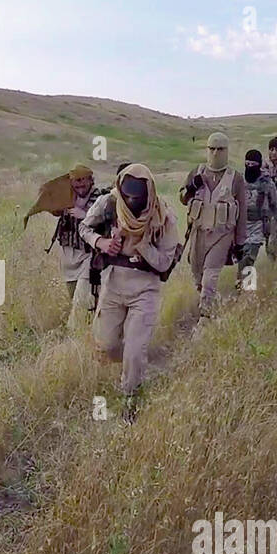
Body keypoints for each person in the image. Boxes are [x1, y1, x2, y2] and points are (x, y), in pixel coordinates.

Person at [79, 163, 181, 423]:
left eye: (138, 198)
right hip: (113, 286)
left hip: (144, 290)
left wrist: (142, 246)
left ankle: (131, 398)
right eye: (128, 197)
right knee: (107, 346)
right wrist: (103, 242)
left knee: (134, 352)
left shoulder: (163, 215)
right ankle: (130, 363)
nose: (133, 202)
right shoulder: (109, 203)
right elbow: (85, 229)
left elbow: (164, 263)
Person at [179, 132, 247, 319]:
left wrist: (240, 242)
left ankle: (205, 319)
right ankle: (208, 301)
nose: (215, 153)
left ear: (226, 150)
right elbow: (183, 199)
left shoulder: (236, 179)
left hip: (221, 236)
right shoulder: (196, 172)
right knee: (198, 277)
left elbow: (242, 213)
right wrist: (192, 187)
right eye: (212, 149)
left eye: (220, 149)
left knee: (210, 277)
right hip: (198, 234)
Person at [49, 164, 102, 303]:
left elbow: (103, 221)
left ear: (91, 180)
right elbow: (55, 211)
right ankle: (87, 323)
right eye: (76, 182)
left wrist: (84, 215)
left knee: (82, 300)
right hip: (68, 255)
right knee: (73, 297)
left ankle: (79, 324)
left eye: (83, 181)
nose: (80, 186)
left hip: (88, 253)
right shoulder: (67, 196)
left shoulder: (99, 197)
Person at [235, 148, 277, 287]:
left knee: (249, 258)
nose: (250, 168)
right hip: (240, 226)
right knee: (242, 259)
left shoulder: (266, 183)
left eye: (253, 165)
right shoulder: (238, 181)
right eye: (247, 164)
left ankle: (247, 290)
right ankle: (241, 288)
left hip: (258, 226)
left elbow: (275, 205)